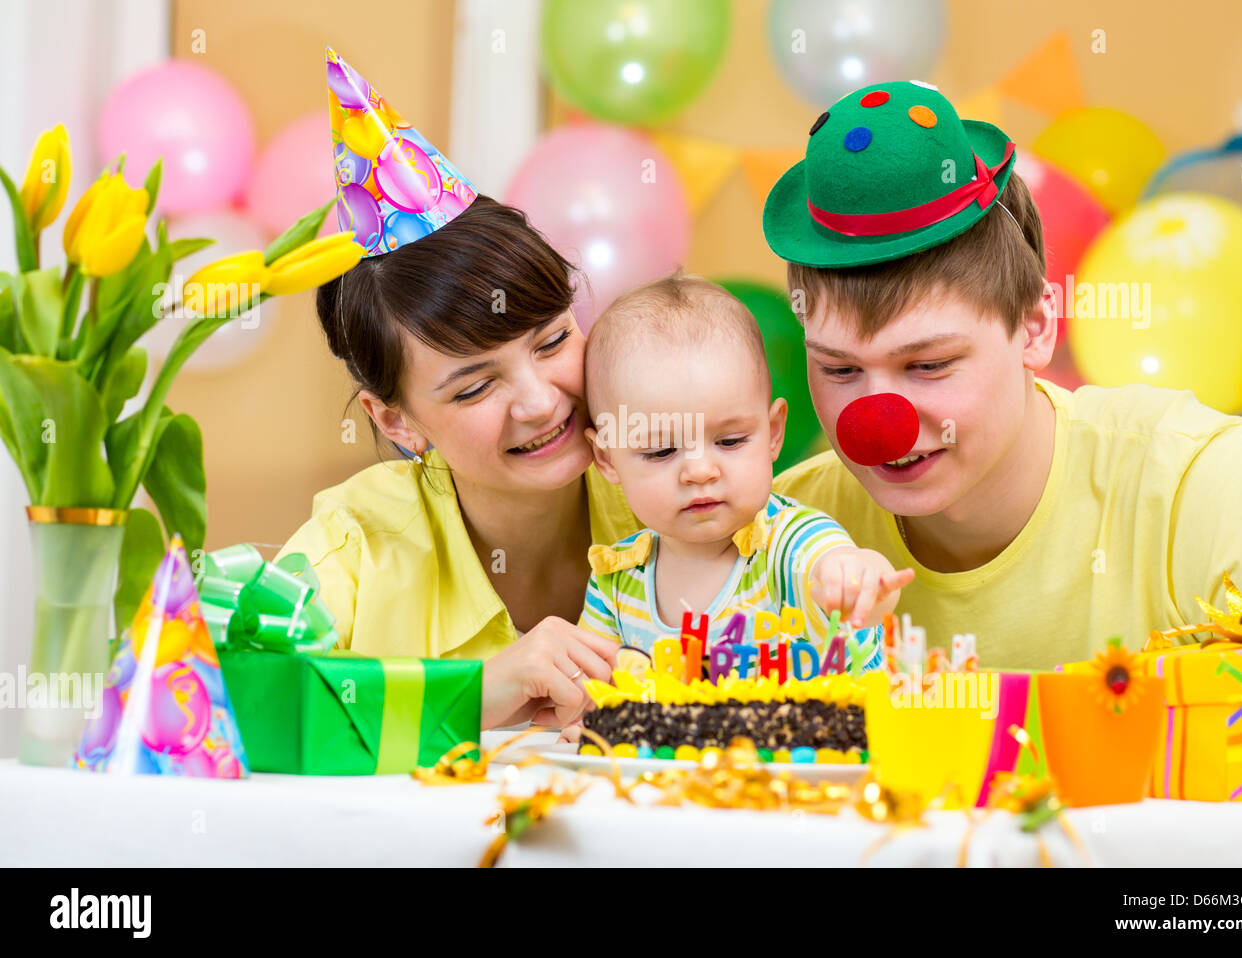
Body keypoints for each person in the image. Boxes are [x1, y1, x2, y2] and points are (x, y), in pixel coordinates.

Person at [762, 80, 1242, 669]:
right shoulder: (766, 537)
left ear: (1036, 325)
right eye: (839, 369)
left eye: (929, 364)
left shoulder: (1213, 494)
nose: (876, 426)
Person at [278, 50, 641, 729]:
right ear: (395, 422)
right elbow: (230, 703)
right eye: (475, 388)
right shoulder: (354, 547)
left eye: (554, 341)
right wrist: (466, 694)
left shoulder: (673, 489)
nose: (539, 401)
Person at [577, 273, 913, 656]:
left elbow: (835, 567)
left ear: (772, 433)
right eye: (660, 452)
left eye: (730, 441)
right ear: (606, 458)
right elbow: (590, 694)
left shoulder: (788, 544)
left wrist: (857, 580)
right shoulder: (615, 581)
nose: (700, 472)